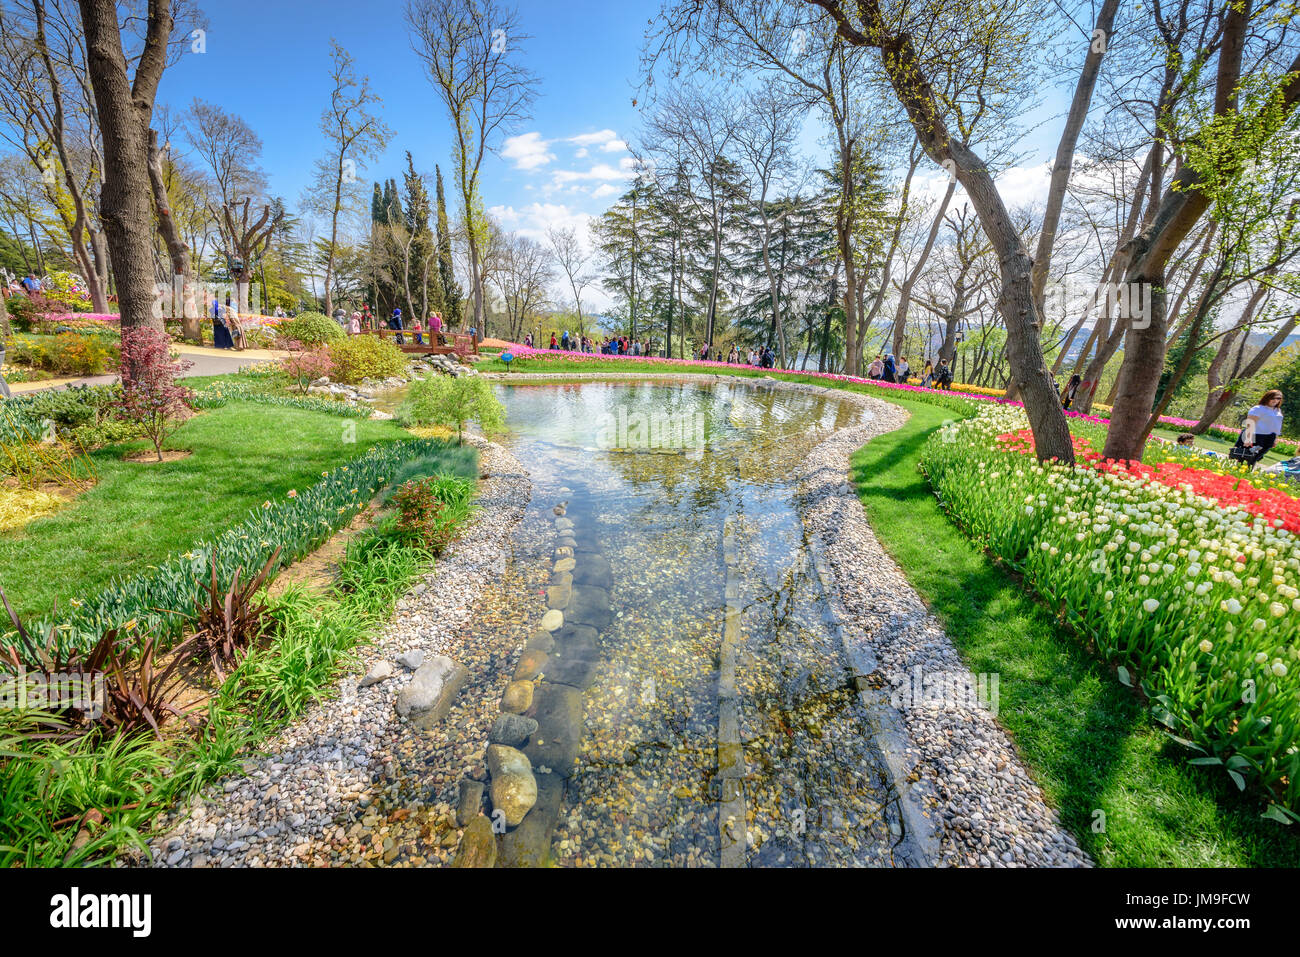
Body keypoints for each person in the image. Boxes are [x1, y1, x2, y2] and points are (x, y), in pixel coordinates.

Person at [1231, 389, 1285, 468]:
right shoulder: (1258, 408)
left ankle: (1245, 474)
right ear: (1267, 397)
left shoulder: (1277, 410)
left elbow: (1277, 425)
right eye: (1273, 398)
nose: (1275, 400)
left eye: (1278, 398)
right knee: (1247, 457)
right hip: (1257, 435)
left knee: (1256, 458)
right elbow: (1250, 423)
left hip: (1270, 437)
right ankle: (1239, 474)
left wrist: (1275, 438)